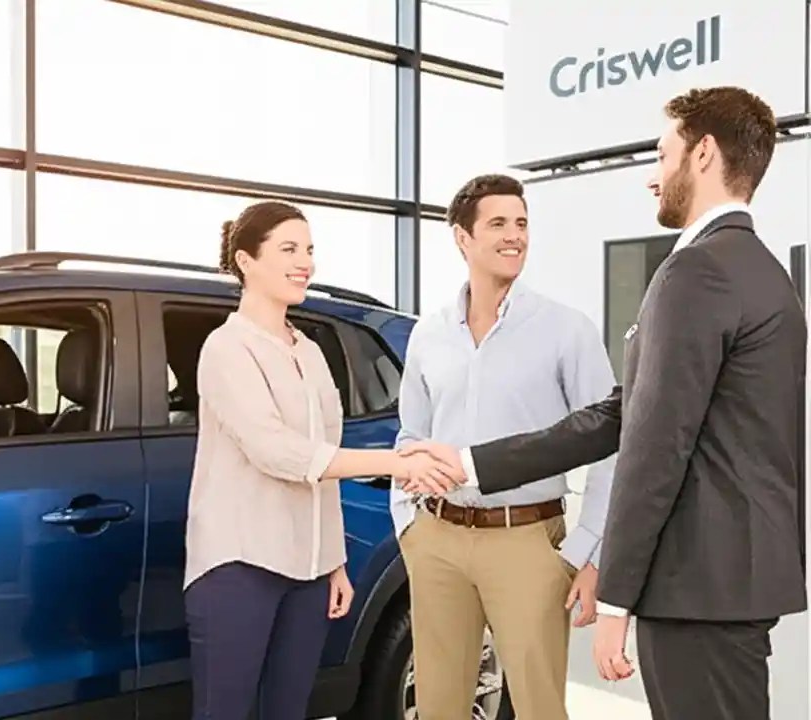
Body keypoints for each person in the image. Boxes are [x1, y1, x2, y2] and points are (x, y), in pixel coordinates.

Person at [402, 86, 807, 720]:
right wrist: (475, 464)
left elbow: (655, 446)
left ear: (701, 155)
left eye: (661, 152)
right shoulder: (757, 269)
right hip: (731, 576)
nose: (653, 177)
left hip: (698, 583)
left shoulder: (696, 271)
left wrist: (614, 595)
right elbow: (631, 414)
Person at [185, 200, 459, 720]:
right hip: (239, 564)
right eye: (288, 249)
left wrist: (333, 561)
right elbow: (277, 452)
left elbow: (322, 457)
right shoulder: (226, 348)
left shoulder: (308, 349)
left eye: (309, 250)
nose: (305, 262)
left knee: (289, 711)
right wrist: (397, 464)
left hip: (308, 571)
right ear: (246, 261)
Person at [388, 174, 617, 720]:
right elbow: (410, 436)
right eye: (498, 224)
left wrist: (588, 550)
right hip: (436, 539)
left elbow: (611, 442)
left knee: (539, 708)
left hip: (528, 542)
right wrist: (409, 525)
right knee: (438, 706)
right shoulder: (429, 333)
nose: (514, 235)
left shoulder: (567, 330)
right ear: (462, 238)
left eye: (521, 223)